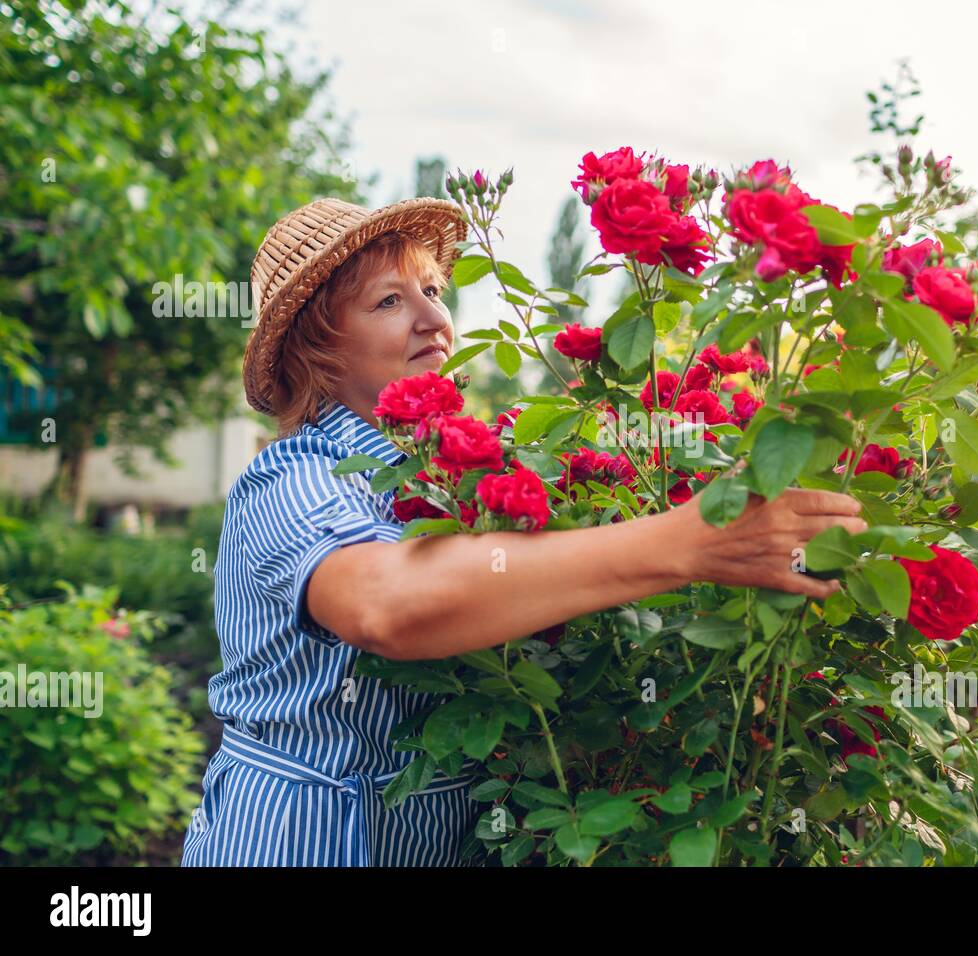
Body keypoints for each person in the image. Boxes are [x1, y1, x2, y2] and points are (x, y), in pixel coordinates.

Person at [180, 196, 866, 867]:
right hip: (301, 838)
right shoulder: (294, 477)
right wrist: (685, 542)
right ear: (315, 347)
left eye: (432, 289)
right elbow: (383, 606)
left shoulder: (441, 481)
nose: (433, 319)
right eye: (389, 302)